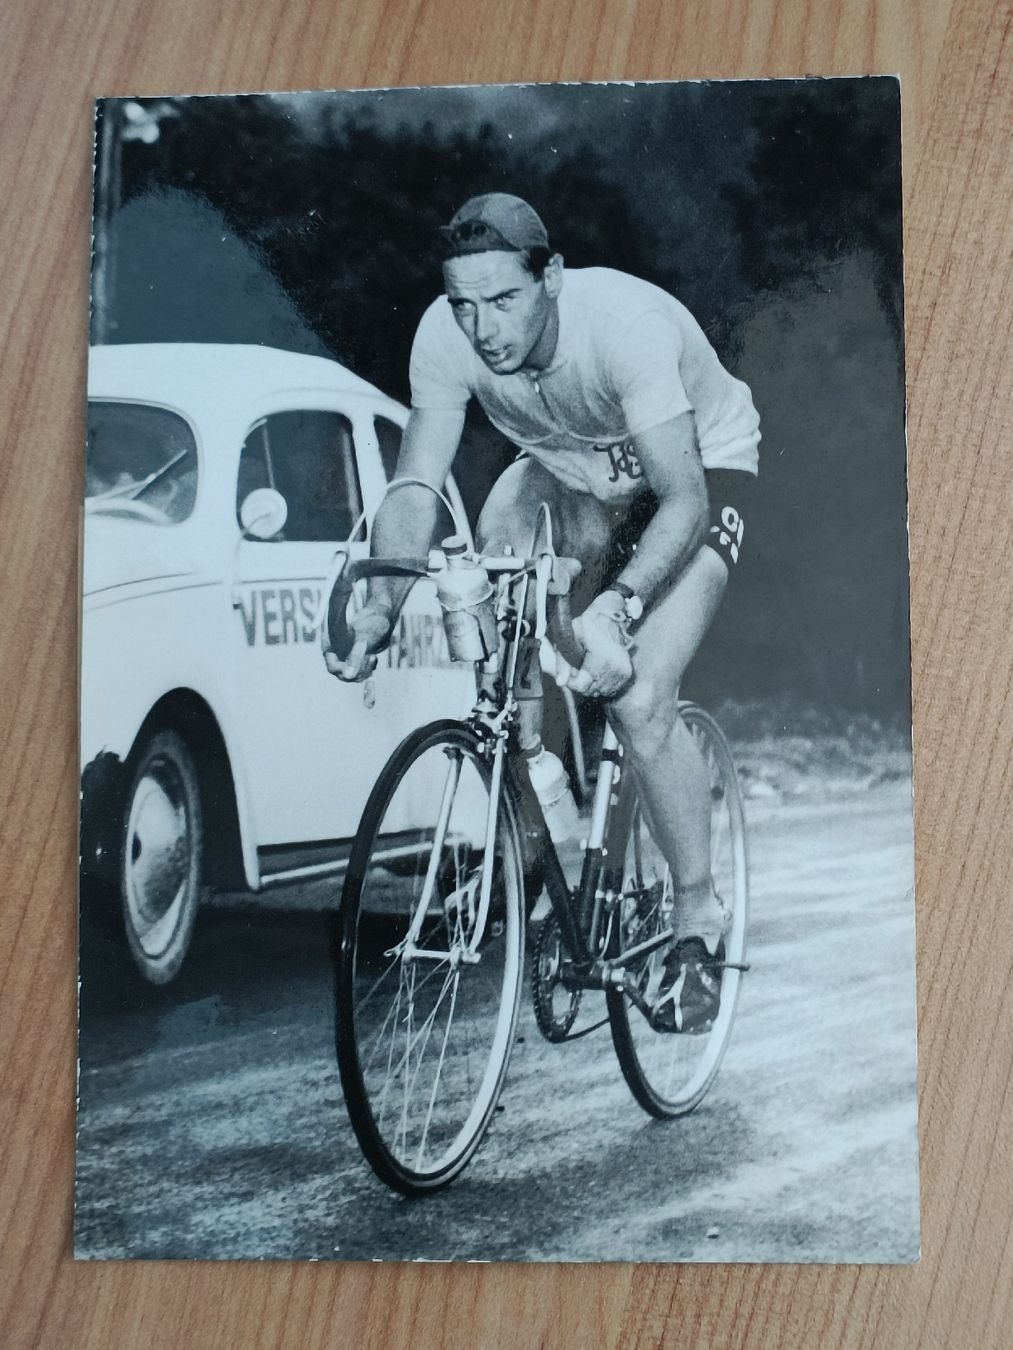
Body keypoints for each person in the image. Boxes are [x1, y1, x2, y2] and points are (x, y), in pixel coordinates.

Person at [328, 193, 760, 1032]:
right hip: (570, 476)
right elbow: (416, 483)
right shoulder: (444, 338)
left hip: (697, 475)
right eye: (462, 304)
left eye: (503, 300)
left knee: (638, 698)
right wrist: (380, 602)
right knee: (492, 582)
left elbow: (681, 501)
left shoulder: (622, 327)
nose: (482, 327)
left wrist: (620, 607)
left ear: (550, 278)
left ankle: (697, 918)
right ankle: (546, 820)